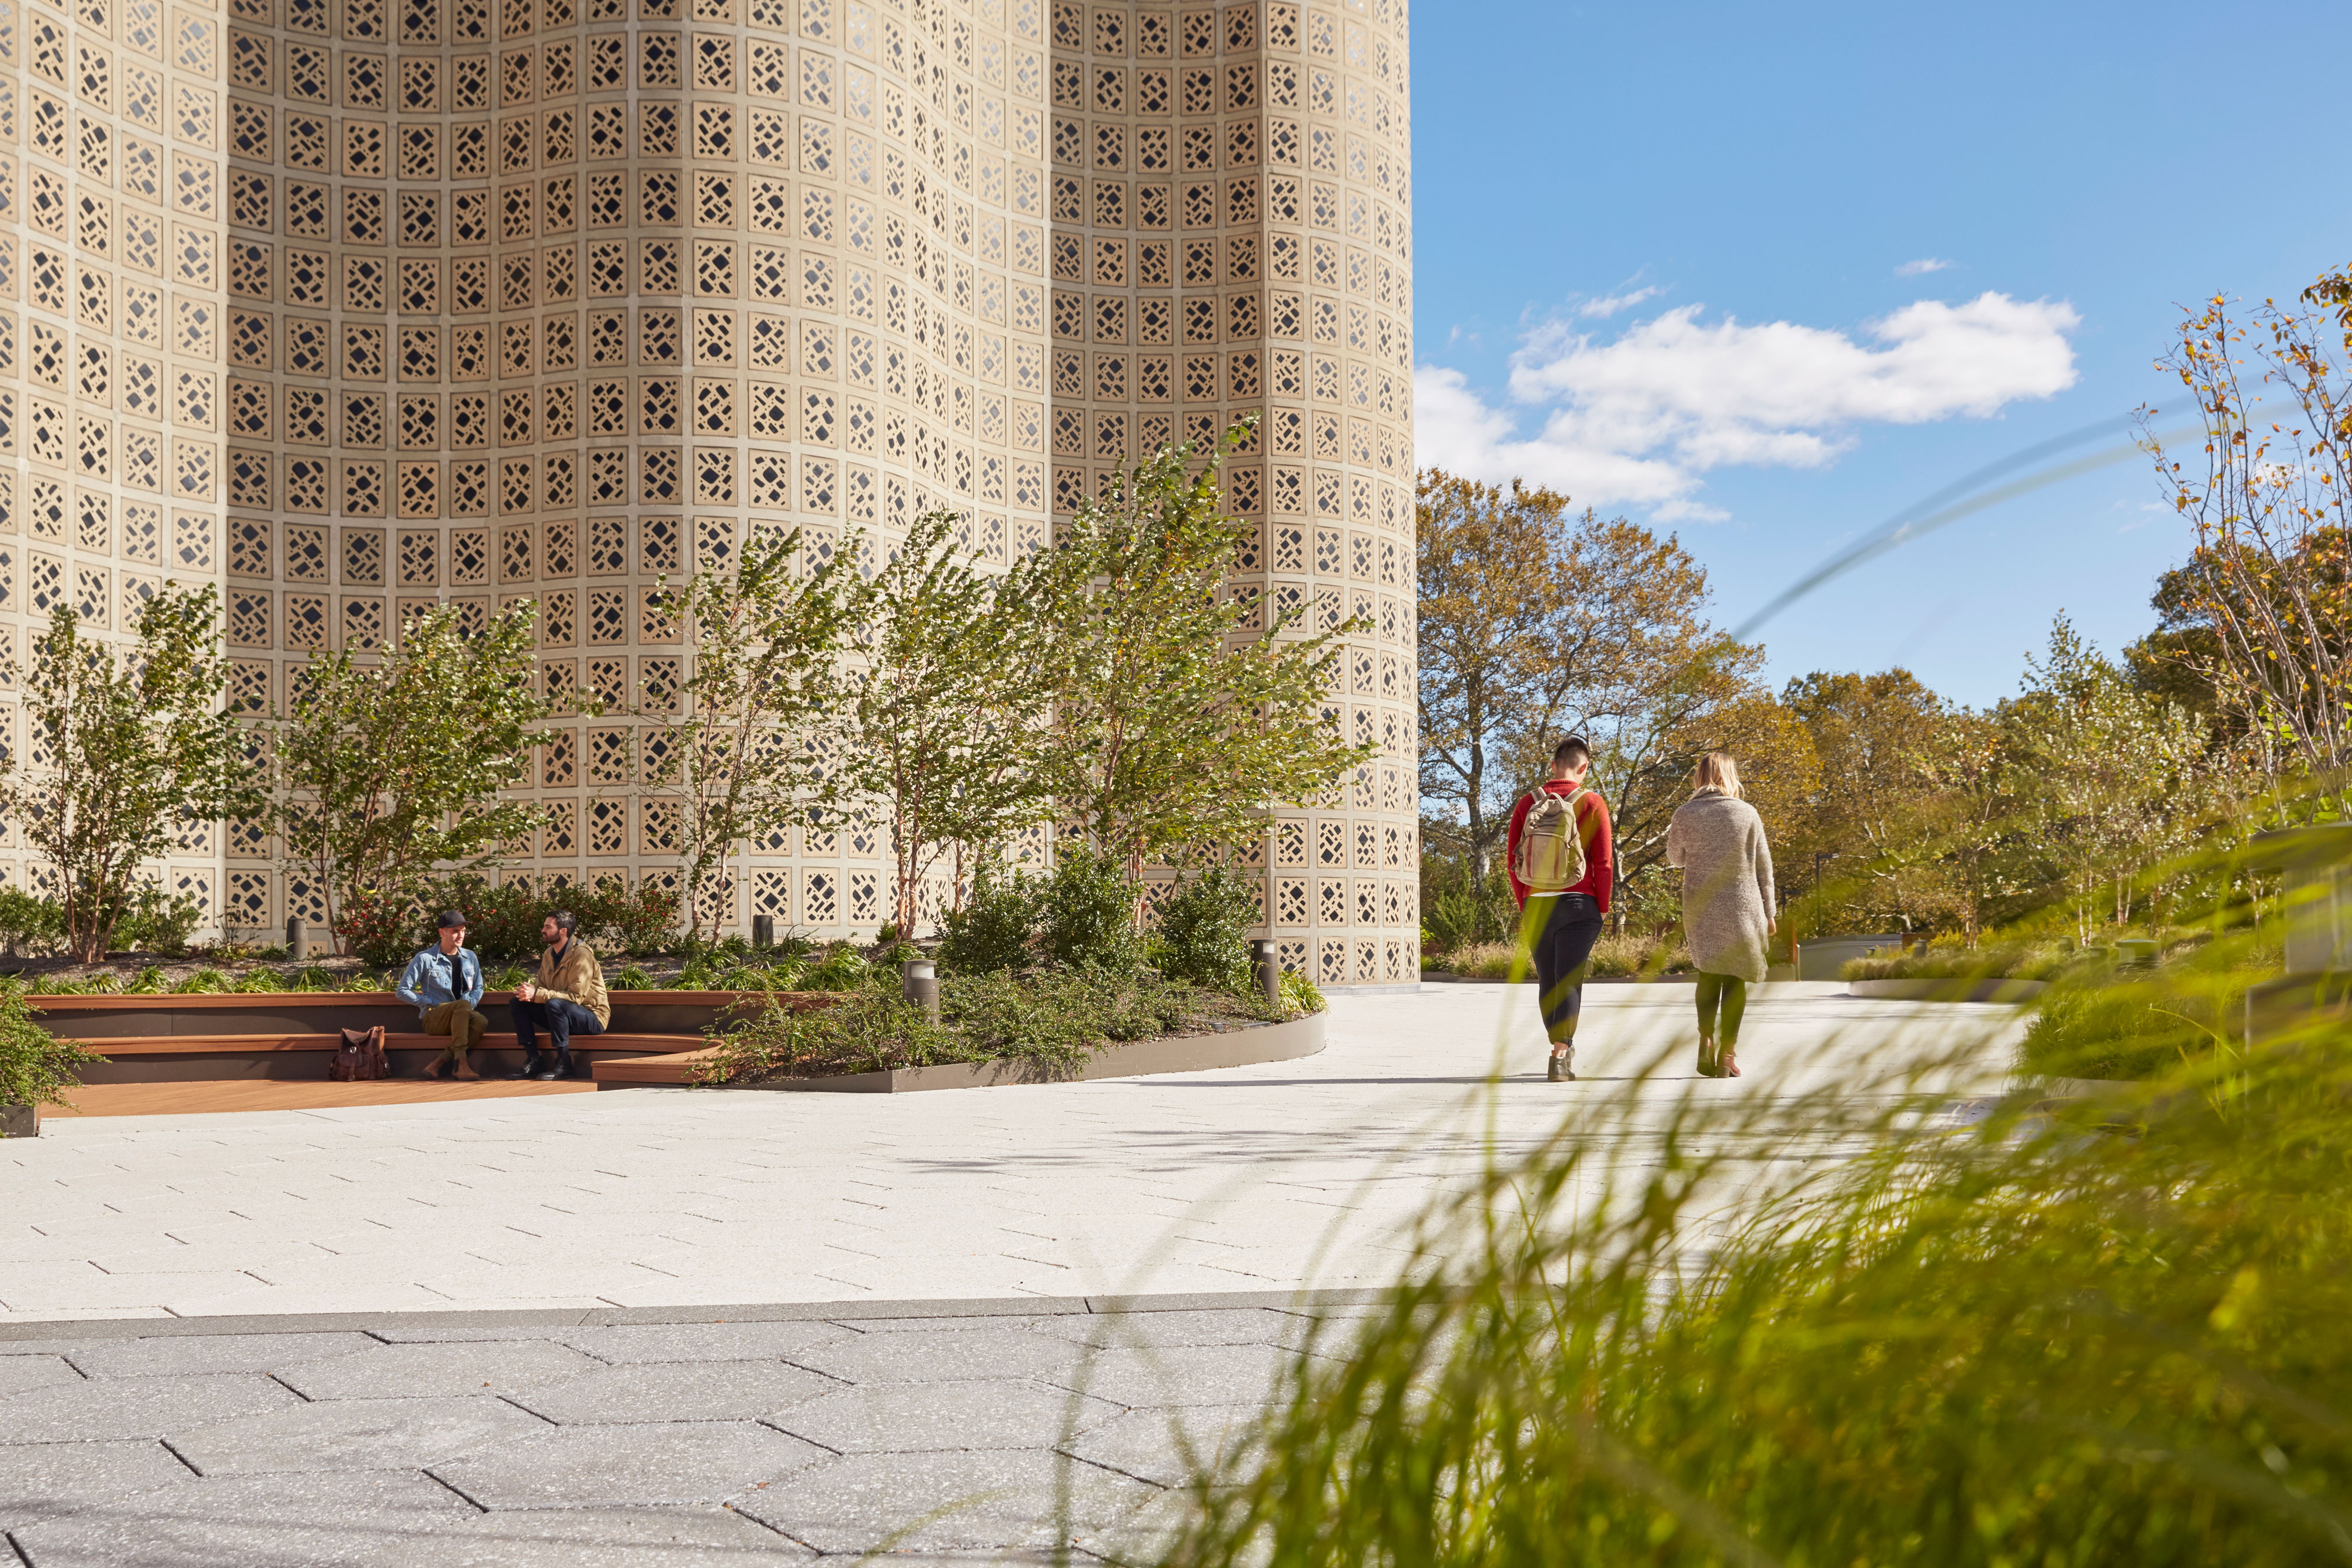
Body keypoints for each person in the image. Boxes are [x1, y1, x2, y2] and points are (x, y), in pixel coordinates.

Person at [1505, 736, 1613, 1082]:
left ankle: (1558, 1045)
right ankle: (1560, 1055)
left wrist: (1525, 903)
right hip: (1579, 905)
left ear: (1553, 765)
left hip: (1537, 905)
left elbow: (1512, 860)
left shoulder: (1528, 802)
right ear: (1584, 768)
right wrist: (1604, 907)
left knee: (1549, 980)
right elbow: (1604, 862)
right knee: (1569, 979)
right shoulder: (1592, 802)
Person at [1665, 752, 1777, 1079]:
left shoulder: (1684, 814)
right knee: (1735, 978)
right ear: (1731, 775)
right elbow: (1764, 867)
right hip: (1744, 907)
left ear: (1700, 776)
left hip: (1702, 907)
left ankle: (1706, 1040)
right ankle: (1728, 1055)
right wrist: (1770, 911)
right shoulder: (1748, 813)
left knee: (1708, 974)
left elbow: (1675, 858)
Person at [509, 910, 609, 1081]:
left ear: (563, 931)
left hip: (592, 1016)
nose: (543, 930)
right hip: (562, 1015)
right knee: (518, 1003)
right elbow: (541, 989)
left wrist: (537, 994)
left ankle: (564, 1064)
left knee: (555, 1004)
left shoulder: (581, 954)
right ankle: (534, 1060)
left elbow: (576, 998)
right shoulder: (549, 954)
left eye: (548, 927)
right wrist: (529, 993)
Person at [396, 911, 486, 1079]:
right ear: (441, 932)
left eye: (463, 931)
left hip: (461, 1015)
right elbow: (402, 991)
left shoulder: (470, 957)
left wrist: (469, 1005)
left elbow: (478, 987)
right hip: (435, 1018)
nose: (461, 935)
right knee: (463, 1005)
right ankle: (461, 1064)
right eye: (455, 931)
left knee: (481, 1021)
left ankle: (438, 1063)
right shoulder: (425, 959)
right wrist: (426, 1001)